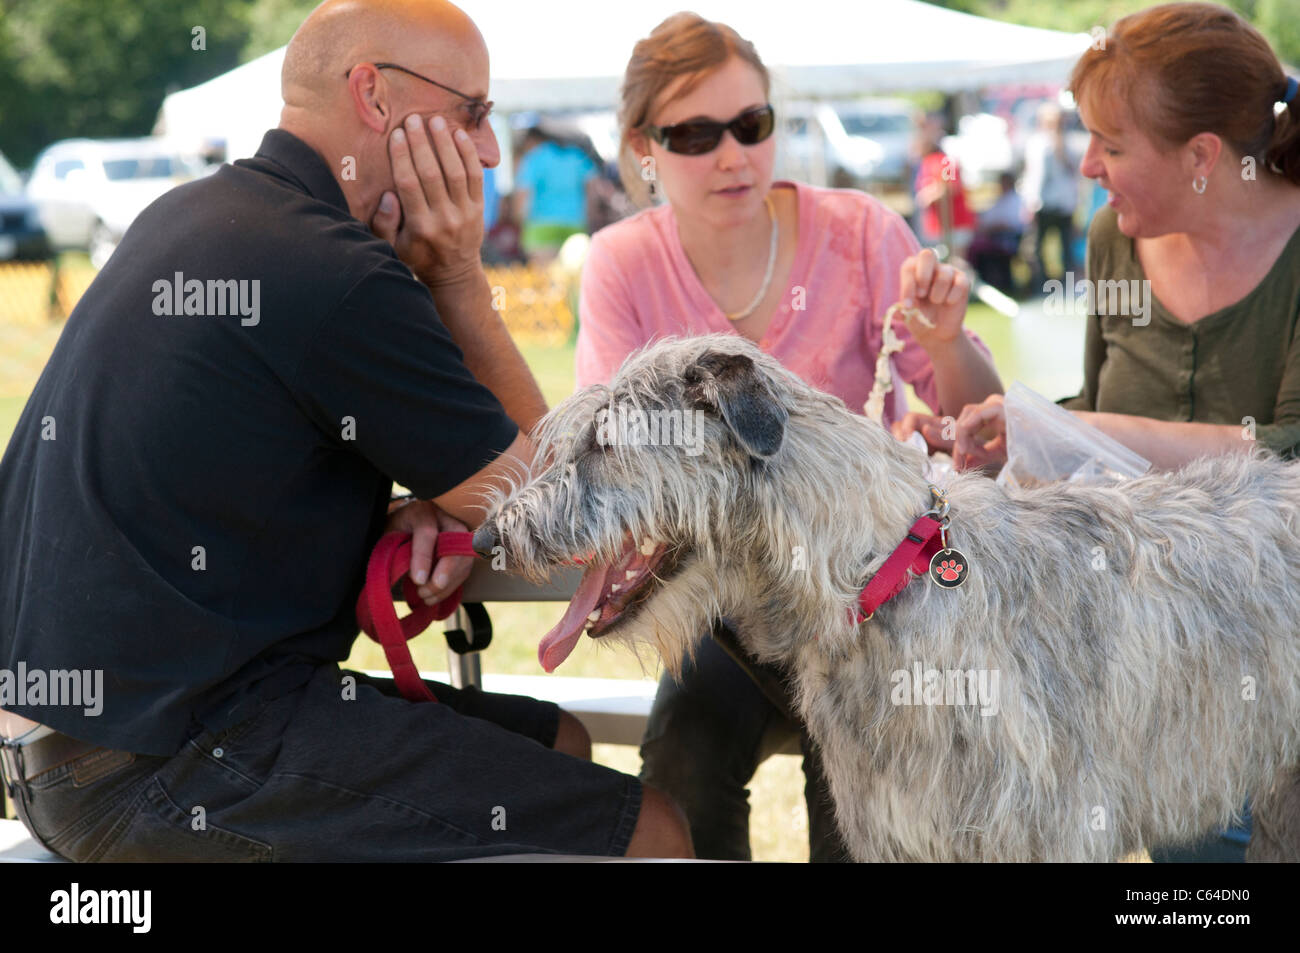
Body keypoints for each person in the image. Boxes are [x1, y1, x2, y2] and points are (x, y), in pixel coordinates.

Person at [0, 0, 691, 862]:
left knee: (558, 746)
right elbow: (570, 520)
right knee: (652, 831)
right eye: (473, 113)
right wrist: (460, 277)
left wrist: (401, 510)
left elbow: (242, 473)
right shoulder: (335, 270)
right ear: (374, 95)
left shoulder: (203, 214)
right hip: (160, 766)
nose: (485, 151)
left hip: (74, 753)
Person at [576, 12, 1002, 861]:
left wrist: (949, 341)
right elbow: (616, 453)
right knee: (683, 767)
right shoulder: (623, 260)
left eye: (751, 124)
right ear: (643, 149)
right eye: (695, 135)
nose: (733, 156)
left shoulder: (860, 232)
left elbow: (980, 423)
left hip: (866, 602)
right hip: (726, 613)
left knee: (853, 806)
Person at [922, 2, 1300, 861]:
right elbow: (1104, 405)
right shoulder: (1115, 240)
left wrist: (1074, 423)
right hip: (1141, 647)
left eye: (1114, 146)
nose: (1087, 165)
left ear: (1203, 156)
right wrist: (1025, 432)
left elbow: (1288, 454)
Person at [513, 127, 599, 263]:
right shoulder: (577, 156)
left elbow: (523, 192)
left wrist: (519, 220)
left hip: (541, 225)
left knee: (542, 279)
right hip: (574, 222)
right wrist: (590, 216)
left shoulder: (535, 158)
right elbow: (593, 189)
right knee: (574, 279)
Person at [1020, 102, 1080, 287]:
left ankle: (1042, 285)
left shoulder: (1041, 144)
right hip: (1064, 204)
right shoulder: (1069, 144)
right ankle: (1067, 286)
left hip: (1045, 204)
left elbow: (1038, 177)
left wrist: (1031, 203)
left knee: (1037, 249)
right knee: (1065, 249)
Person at [912, 112, 975, 261]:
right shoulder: (925, 163)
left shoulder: (946, 161)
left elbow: (951, 186)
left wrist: (930, 195)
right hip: (937, 226)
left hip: (955, 224)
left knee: (957, 262)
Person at [969, 170, 1026, 295]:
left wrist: (992, 228)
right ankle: (985, 284)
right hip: (995, 238)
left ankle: (991, 285)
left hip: (1008, 240)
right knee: (975, 247)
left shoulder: (1016, 200)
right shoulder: (1000, 200)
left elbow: (1011, 224)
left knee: (978, 248)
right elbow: (986, 221)